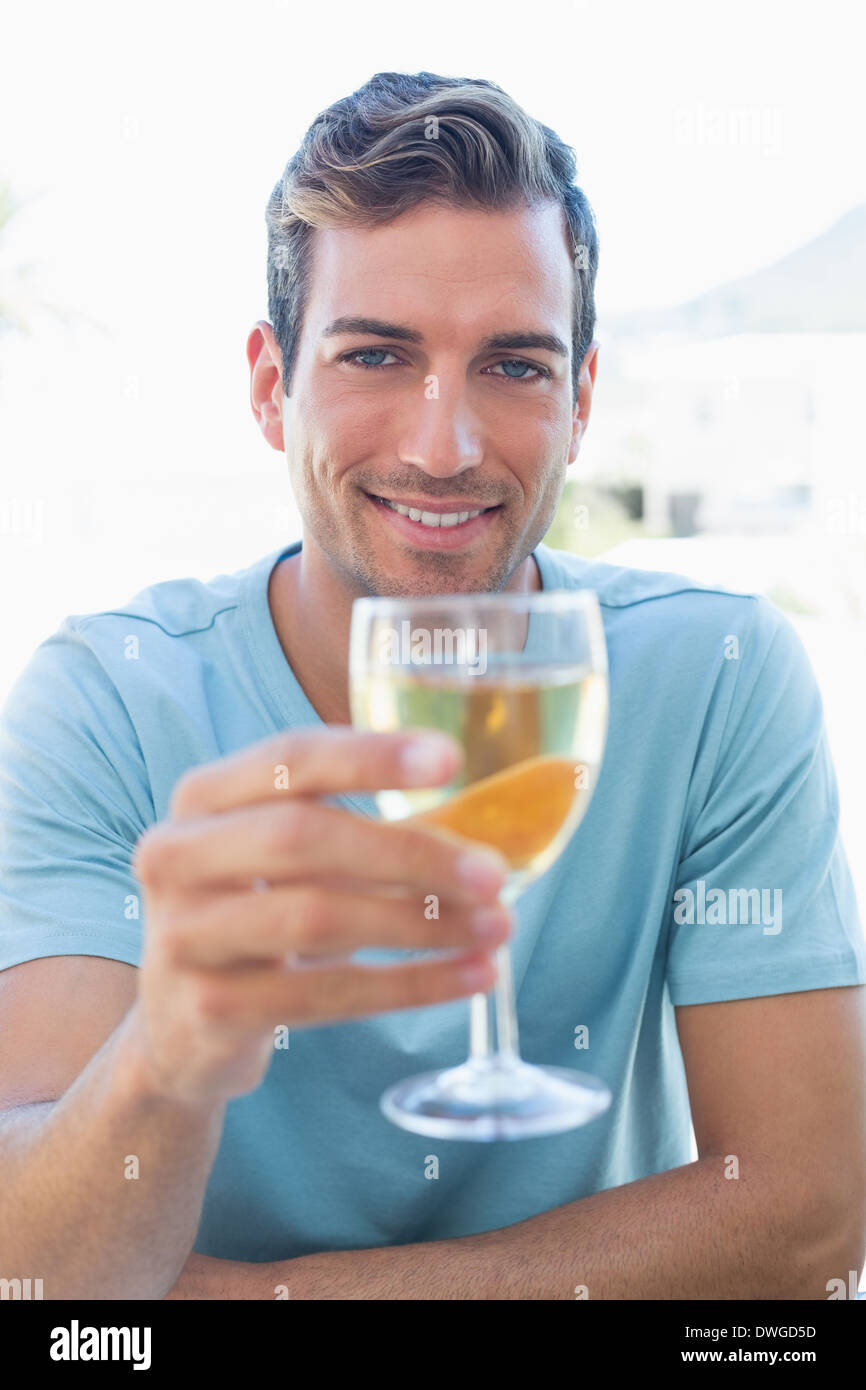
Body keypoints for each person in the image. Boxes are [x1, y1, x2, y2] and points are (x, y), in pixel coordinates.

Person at [0, 70, 864, 1302]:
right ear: (268, 384)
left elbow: (806, 1215)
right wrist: (165, 1056)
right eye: (375, 355)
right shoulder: (104, 705)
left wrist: (272, 1303)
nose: (441, 446)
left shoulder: (713, 677)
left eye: (512, 366)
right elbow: (41, 1287)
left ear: (578, 399)